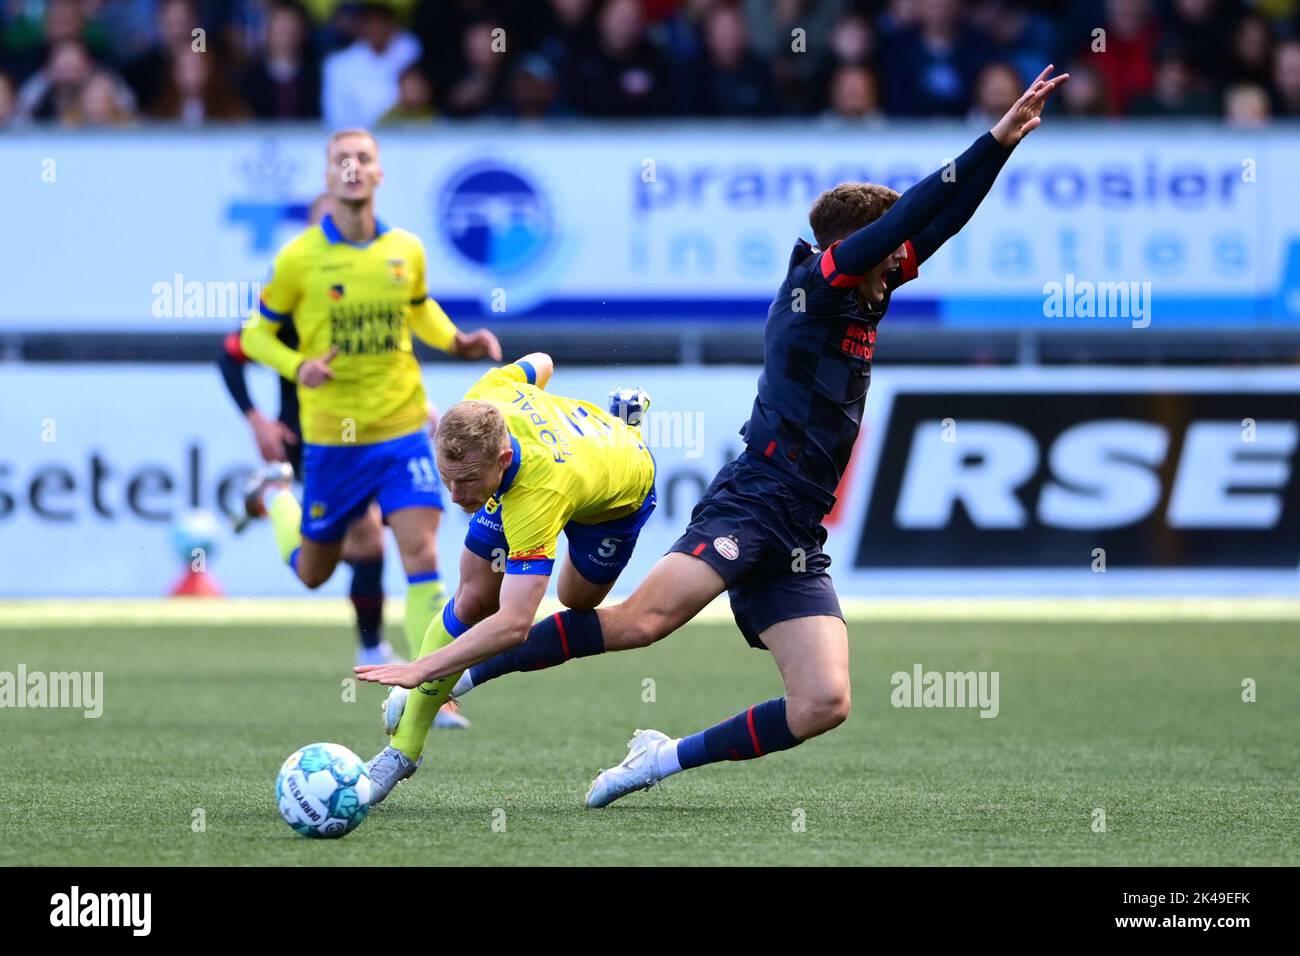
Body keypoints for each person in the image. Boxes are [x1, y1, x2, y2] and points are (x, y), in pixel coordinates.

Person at [358, 67, 1069, 809]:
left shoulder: (869, 289)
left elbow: (937, 223)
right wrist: (985, 137)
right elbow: (905, 223)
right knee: (642, 623)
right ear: (852, 249)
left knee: (824, 703)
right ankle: (458, 674)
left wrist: (1004, 148)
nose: (901, 267)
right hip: (753, 498)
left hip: (798, 526)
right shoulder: (819, 287)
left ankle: (661, 758)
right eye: (888, 257)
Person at [238, 128, 501, 689]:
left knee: (422, 548)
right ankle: (274, 495)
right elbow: (254, 336)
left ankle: (433, 686)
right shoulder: (298, 259)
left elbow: (420, 308)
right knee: (314, 571)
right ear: (328, 177)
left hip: (402, 427)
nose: (352, 167)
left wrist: (458, 342)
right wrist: (297, 367)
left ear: (379, 172)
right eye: (341, 160)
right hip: (333, 438)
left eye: (363, 158)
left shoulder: (405, 249)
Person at [358, 356, 656, 804]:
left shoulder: (538, 493)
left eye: (468, 482)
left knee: (574, 599)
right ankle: (402, 754)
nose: (457, 497)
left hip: (615, 495)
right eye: (447, 481)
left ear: (502, 458)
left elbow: (516, 624)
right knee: (474, 598)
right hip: (537, 472)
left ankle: (625, 425)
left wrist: (423, 668)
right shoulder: (486, 395)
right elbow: (542, 362)